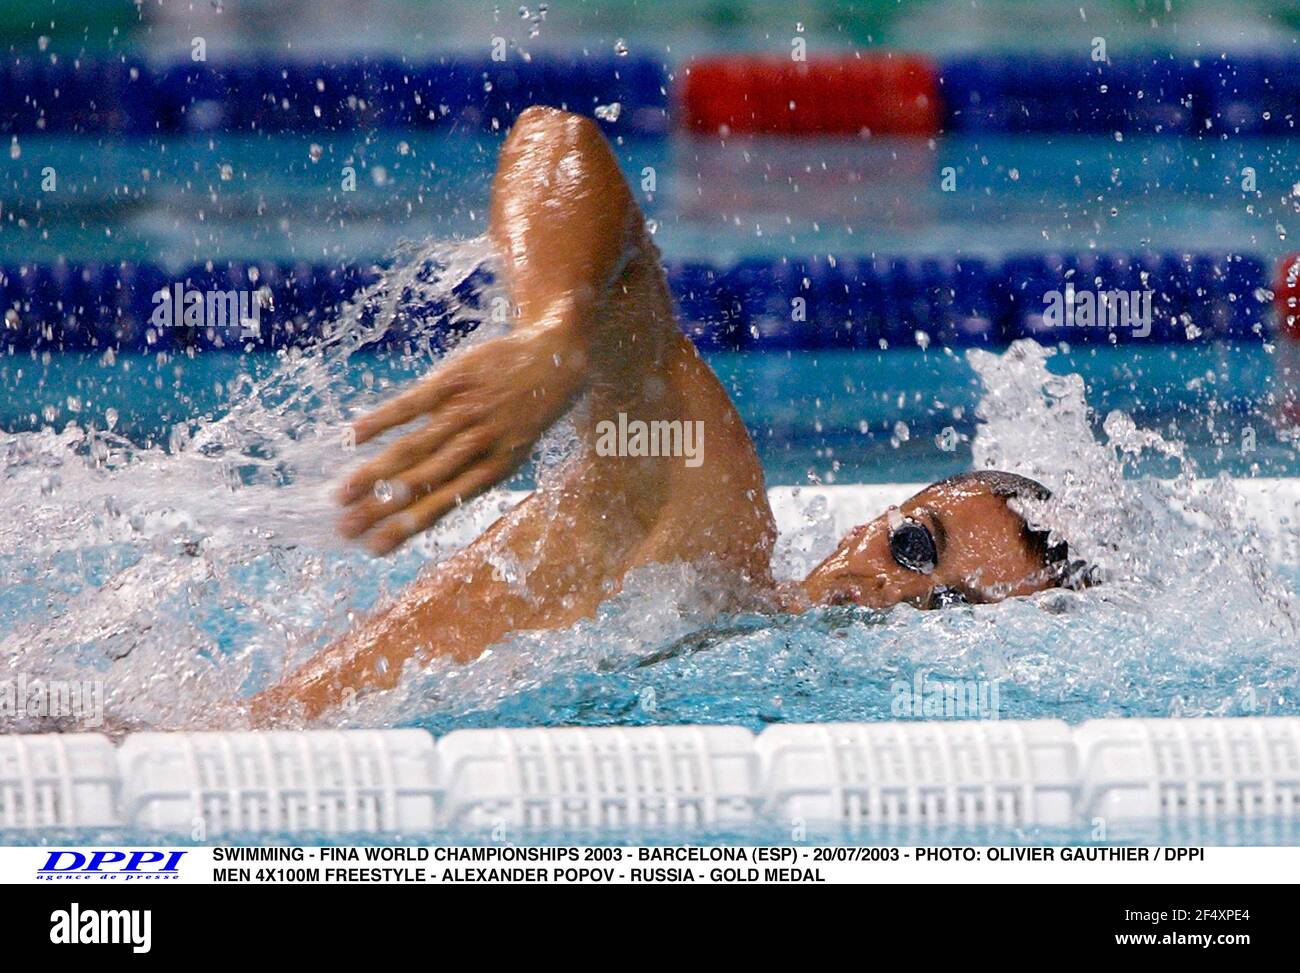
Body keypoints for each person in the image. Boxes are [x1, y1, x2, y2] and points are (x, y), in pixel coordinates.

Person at [250, 106, 1081, 723]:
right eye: (916, 544)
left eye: (948, 609)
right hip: (221, 756)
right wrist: (557, 332)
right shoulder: (706, 536)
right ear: (878, 519)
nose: (897, 592)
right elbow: (559, 142)